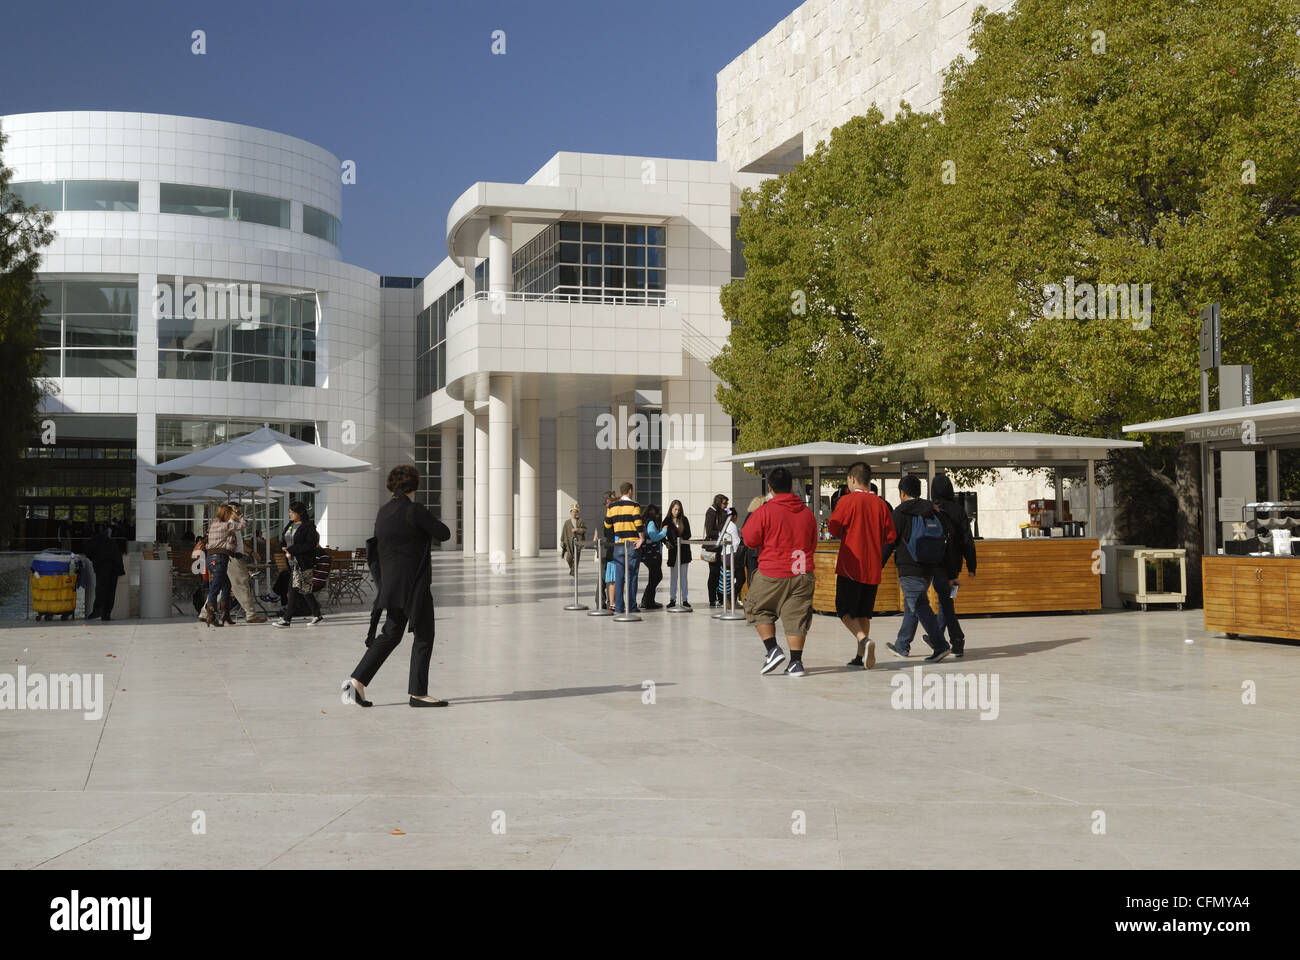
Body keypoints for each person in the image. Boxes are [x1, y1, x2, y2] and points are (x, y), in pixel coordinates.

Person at [343, 464, 451, 708]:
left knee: (391, 634)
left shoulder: (383, 512)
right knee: (424, 635)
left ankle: (356, 681)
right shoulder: (414, 510)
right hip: (414, 586)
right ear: (415, 485)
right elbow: (444, 534)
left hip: (391, 585)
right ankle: (418, 693)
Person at [742, 467, 818, 677]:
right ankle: (796, 663)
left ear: (769, 487)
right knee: (797, 616)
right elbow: (813, 543)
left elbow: (749, 539)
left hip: (773, 572)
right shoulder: (807, 513)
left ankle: (772, 649)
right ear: (792, 485)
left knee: (756, 608)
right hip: (802, 573)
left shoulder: (765, 511)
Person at [826, 461, 896, 669]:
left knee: (844, 610)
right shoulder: (881, 505)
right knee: (864, 613)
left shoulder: (847, 501)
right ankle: (860, 655)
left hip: (851, 565)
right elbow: (890, 535)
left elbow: (834, 529)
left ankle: (863, 641)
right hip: (873, 567)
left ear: (853, 479)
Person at [880, 475, 950, 662]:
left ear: (902, 492)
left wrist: (878, 565)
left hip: (909, 567)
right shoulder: (931, 510)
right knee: (913, 606)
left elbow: (889, 542)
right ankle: (902, 645)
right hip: (929, 566)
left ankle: (940, 644)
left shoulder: (900, 513)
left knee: (919, 604)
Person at [928, 474, 977, 658]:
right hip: (954, 564)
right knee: (945, 599)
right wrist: (971, 565)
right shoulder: (958, 510)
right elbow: (967, 540)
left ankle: (954, 639)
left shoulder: (932, 508)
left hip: (937, 562)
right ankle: (942, 637)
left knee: (946, 601)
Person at [272, 502, 323, 628]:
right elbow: (285, 538)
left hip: (303, 562)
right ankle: (317, 614)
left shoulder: (308, 526)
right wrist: (283, 546)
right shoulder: (290, 524)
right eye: (289, 512)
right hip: (291, 562)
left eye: (292, 512)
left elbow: (310, 544)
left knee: (294, 589)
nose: (290, 514)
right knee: (304, 590)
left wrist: (292, 550)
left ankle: (287, 619)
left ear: (300, 513)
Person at [202, 504, 246, 627]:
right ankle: (210, 615)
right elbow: (243, 525)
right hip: (220, 559)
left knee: (226, 585)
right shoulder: (227, 525)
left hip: (210, 558)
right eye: (230, 513)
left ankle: (225, 614)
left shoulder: (212, 525)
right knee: (215, 587)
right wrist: (240, 514)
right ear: (227, 514)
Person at [604, 482, 645, 614]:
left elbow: (607, 525)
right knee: (632, 577)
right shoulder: (634, 505)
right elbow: (638, 523)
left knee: (619, 577)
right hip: (633, 544)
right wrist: (641, 538)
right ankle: (632, 606)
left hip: (619, 545)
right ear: (630, 491)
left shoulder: (612, 506)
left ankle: (619, 607)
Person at [223, 503, 267, 625]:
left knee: (224, 587)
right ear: (230, 512)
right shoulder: (230, 525)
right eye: (237, 512)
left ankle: (206, 612)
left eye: (240, 512)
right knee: (242, 585)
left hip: (231, 559)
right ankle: (251, 614)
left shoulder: (231, 525)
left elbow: (238, 543)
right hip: (233, 559)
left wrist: (251, 552)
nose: (240, 514)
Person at [83, 524, 124, 622]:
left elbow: (88, 552)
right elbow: (118, 555)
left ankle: (98, 609)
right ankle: (106, 614)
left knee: (101, 588)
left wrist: (94, 559)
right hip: (114, 568)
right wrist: (120, 569)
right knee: (111, 591)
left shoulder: (93, 541)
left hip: (102, 567)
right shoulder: (111, 542)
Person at [664, 499, 692, 608]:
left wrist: (681, 539)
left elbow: (688, 534)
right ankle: (672, 599)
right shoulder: (667, 520)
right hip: (673, 552)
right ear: (671, 509)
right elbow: (662, 534)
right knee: (673, 577)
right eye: (675, 509)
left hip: (684, 551)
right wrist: (666, 542)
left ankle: (685, 599)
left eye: (678, 510)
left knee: (684, 576)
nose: (677, 512)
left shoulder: (684, 520)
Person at [639, 504, 668, 609]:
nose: (658, 516)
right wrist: (664, 531)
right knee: (656, 576)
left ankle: (647, 600)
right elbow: (654, 537)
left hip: (648, 554)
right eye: (657, 514)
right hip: (652, 555)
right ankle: (648, 601)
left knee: (653, 577)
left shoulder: (644, 522)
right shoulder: (651, 523)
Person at [703, 493, 729, 607]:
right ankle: (712, 599)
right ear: (719, 502)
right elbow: (709, 531)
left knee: (720, 573)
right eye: (724, 503)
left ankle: (721, 597)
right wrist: (721, 533)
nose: (726, 505)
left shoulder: (722, 512)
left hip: (721, 547)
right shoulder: (711, 512)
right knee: (713, 573)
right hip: (713, 547)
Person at [716, 506, 743, 607]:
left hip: (724, 555)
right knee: (739, 578)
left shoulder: (723, 525)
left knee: (727, 578)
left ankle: (729, 600)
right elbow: (736, 542)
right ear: (734, 516)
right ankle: (730, 600)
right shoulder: (732, 525)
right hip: (732, 555)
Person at [594, 491, 616, 610]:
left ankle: (600, 602)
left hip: (602, 547)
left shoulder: (599, 513)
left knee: (603, 576)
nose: (615, 502)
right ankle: (609, 602)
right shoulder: (609, 513)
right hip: (608, 548)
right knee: (608, 577)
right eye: (613, 500)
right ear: (608, 501)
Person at [560, 503, 587, 576]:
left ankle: (574, 571)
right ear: (570, 512)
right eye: (572, 512)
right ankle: (572, 568)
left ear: (577, 513)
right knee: (568, 558)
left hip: (578, 542)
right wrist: (562, 541)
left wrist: (577, 529)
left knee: (577, 558)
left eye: (576, 512)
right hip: (569, 543)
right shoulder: (567, 522)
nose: (574, 513)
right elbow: (564, 532)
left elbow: (584, 530)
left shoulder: (581, 521)